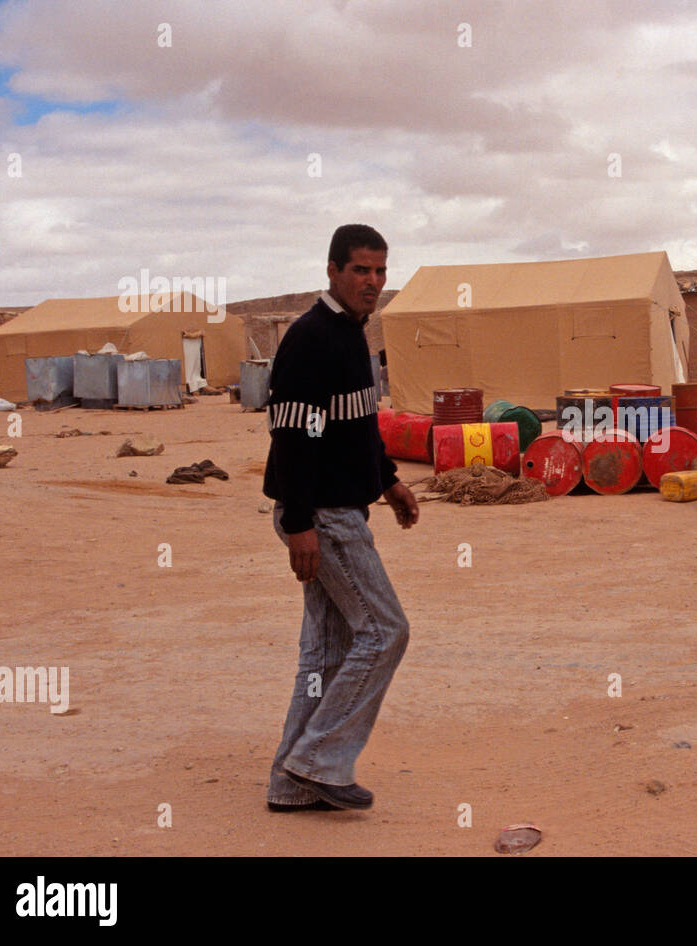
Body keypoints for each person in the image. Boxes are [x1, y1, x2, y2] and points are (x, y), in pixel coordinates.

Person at [262, 224, 419, 812]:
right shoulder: (311, 340)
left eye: (380, 271)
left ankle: (290, 782)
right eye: (361, 270)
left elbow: (356, 427)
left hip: (342, 505)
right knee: (385, 631)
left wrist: (388, 480)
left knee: (328, 654)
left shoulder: (354, 336)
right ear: (332, 270)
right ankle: (317, 760)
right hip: (322, 516)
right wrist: (299, 521)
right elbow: (293, 438)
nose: (373, 282)